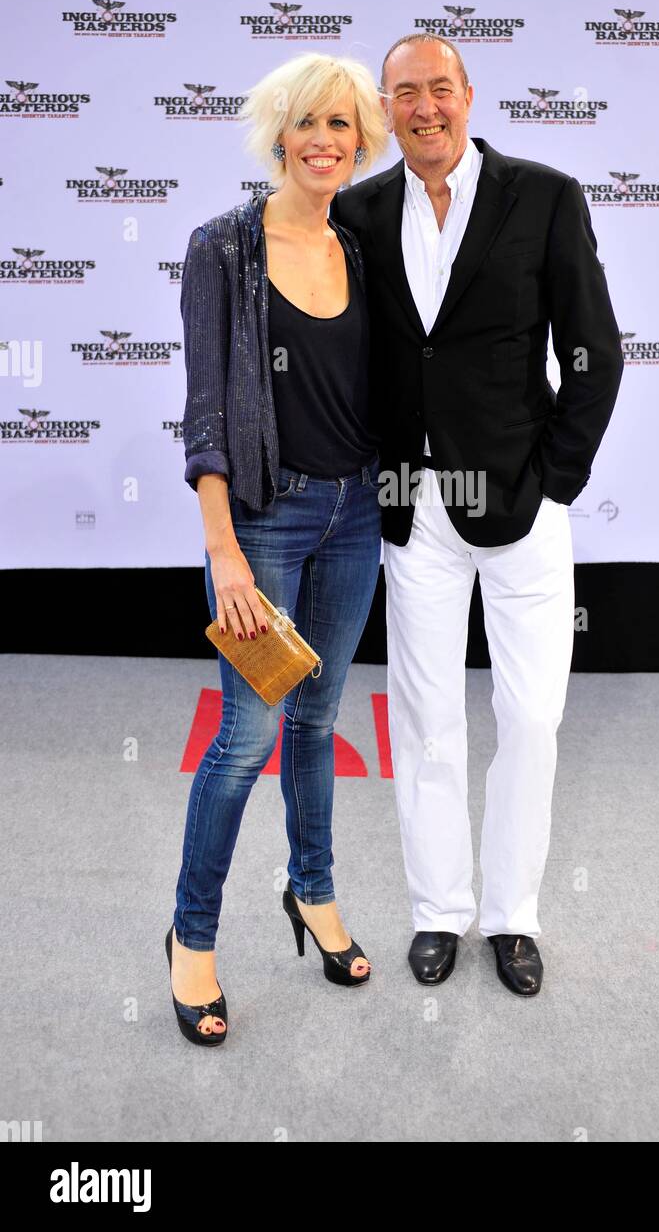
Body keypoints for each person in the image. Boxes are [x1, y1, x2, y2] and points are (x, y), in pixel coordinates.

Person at [329, 34, 623, 997]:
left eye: (438, 89)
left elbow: (593, 351)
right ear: (385, 106)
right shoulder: (360, 212)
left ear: (468, 94)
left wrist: (556, 480)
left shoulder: (543, 195)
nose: (424, 108)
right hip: (413, 509)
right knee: (424, 722)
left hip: (521, 502)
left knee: (530, 718)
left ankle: (511, 915)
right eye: (404, 93)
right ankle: (438, 912)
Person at [168, 53, 389, 1044]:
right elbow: (207, 413)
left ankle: (313, 892)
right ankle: (191, 939)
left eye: (342, 125)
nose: (325, 141)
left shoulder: (362, 247)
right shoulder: (223, 249)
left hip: (354, 516)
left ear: (360, 140)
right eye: (308, 123)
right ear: (279, 132)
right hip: (266, 516)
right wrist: (226, 556)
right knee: (245, 738)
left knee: (320, 718)